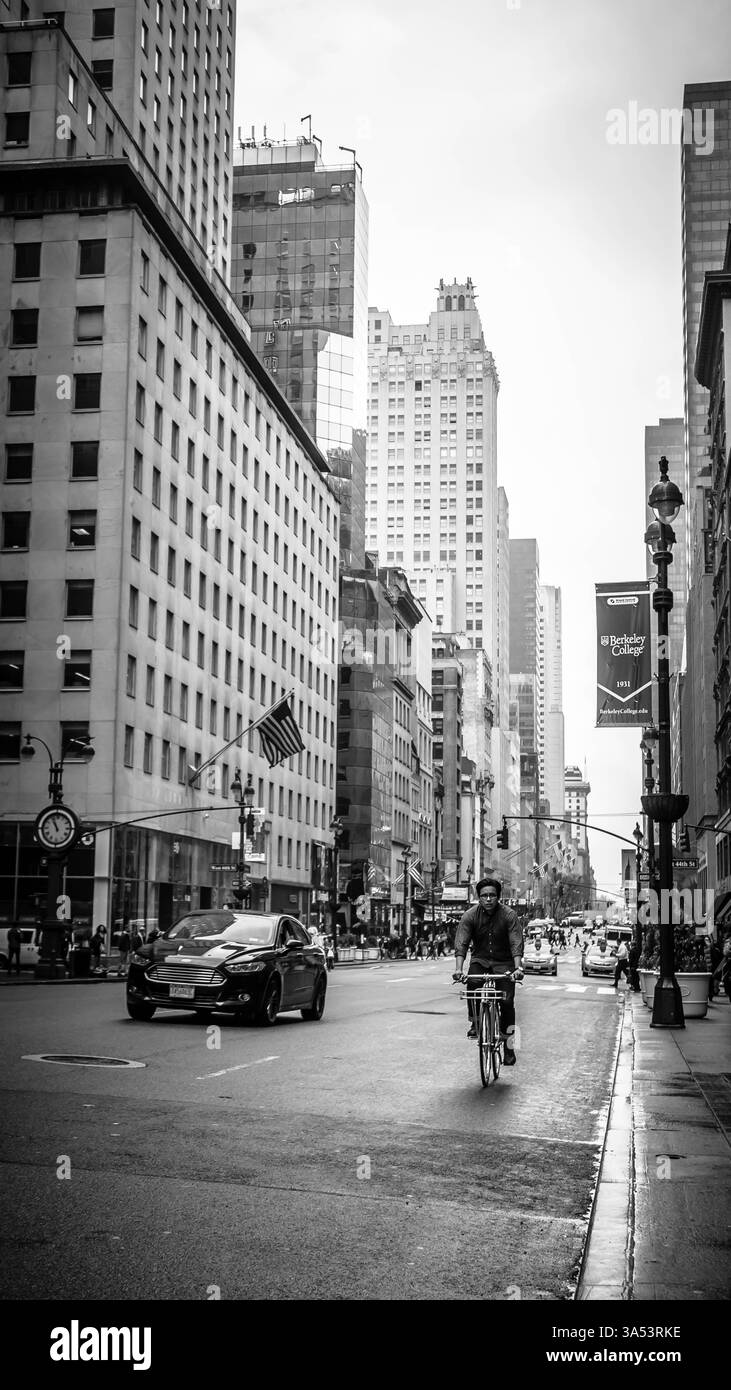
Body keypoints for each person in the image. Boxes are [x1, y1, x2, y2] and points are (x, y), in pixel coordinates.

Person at [452, 877, 524, 1065]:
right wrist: (459, 970)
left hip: (504, 963)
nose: (489, 899)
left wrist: (518, 968)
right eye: (484, 895)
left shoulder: (509, 915)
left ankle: (509, 1048)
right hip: (480, 960)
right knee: (472, 983)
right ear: (479, 897)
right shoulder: (470, 915)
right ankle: (475, 1023)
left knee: (507, 1002)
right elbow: (462, 942)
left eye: (492, 895)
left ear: (498, 897)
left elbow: (516, 942)